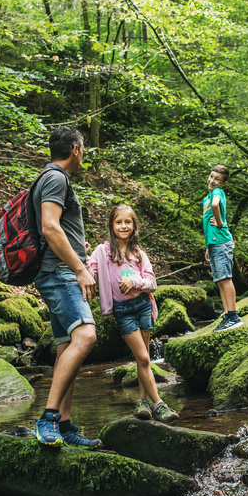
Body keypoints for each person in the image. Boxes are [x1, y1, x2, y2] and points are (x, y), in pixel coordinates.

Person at [32, 125, 101, 448]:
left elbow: (57, 227)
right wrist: (79, 268)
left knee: (65, 347)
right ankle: (47, 419)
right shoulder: (56, 178)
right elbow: (49, 226)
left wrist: (77, 249)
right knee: (86, 335)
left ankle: (65, 423)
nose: (83, 153)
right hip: (60, 273)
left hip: (59, 269)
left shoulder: (51, 178)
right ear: (75, 149)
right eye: (82, 148)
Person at [88, 204, 178, 423]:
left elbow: (152, 283)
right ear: (111, 225)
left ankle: (142, 400)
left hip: (143, 305)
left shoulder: (139, 253)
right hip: (123, 311)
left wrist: (134, 281)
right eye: (119, 222)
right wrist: (82, 254)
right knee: (144, 357)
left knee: (142, 358)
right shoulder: (103, 251)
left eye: (128, 222)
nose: (123, 226)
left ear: (134, 226)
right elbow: (90, 272)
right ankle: (159, 404)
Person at [203, 165, 242, 331]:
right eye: (211, 176)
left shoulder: (217, 193)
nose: (212, 181)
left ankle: (233, 315)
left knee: (225, 279)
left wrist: (219, 222)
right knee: (219, 280)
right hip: (214, 243)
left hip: (222, 242)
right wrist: (208, 246)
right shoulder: (210, 194)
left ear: (224, 183)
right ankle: (227, 315)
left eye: (217, 179)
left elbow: (215, 205)